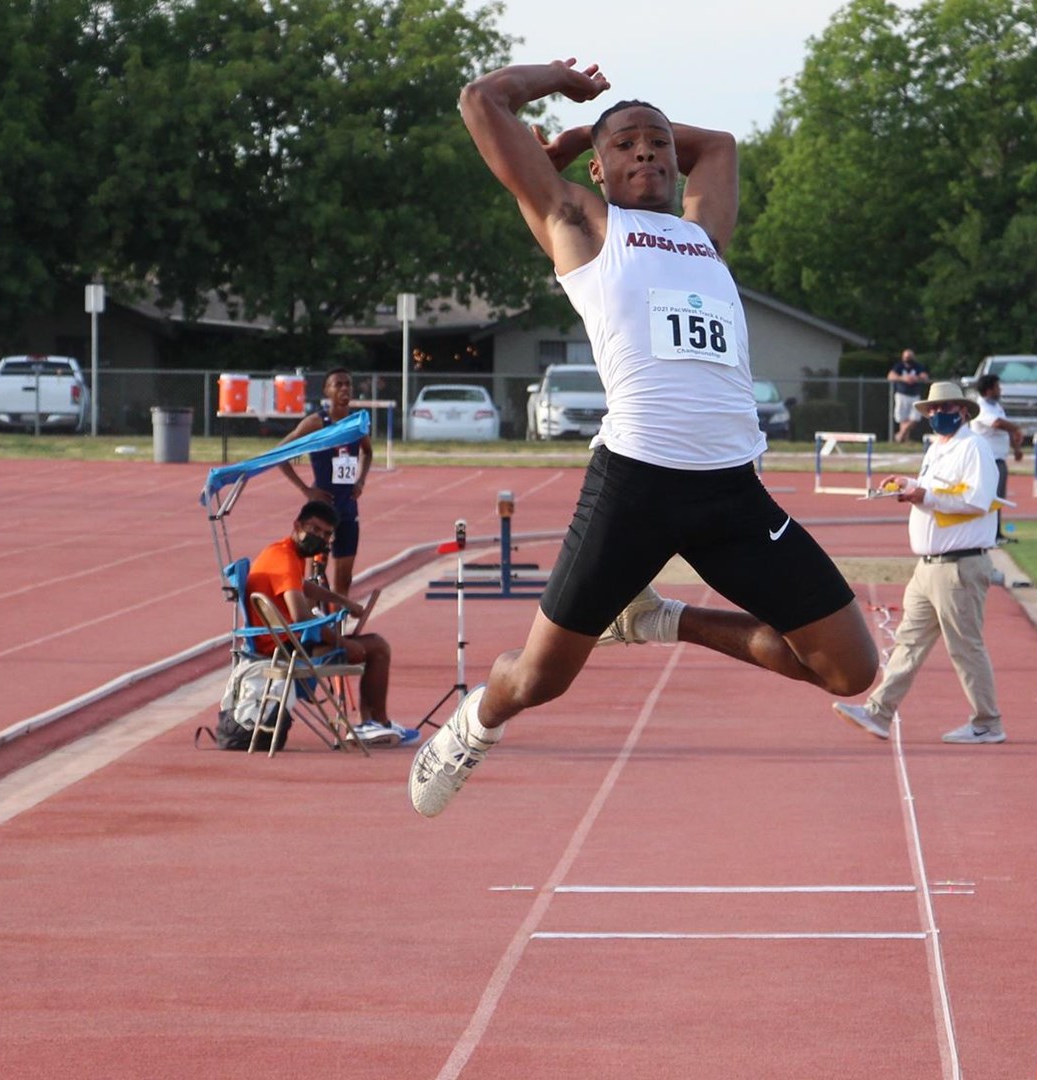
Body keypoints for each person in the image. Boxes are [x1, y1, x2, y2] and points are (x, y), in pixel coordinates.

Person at [409, 59, 877, 817]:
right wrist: (568, 91)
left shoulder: (702, 238)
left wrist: (621, 126)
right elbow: (479, 99)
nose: (650, 154)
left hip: (733, 490)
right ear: (596, 170)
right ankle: (475, 722)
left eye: (659, 144)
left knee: (849, 671)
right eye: (627, 147)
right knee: (540, 680)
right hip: (636, 485)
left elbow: (719, 144)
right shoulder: (582, 224)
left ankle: (662, 619)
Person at [832, 382, 1006, 745]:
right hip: (929, 567)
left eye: (941, 409)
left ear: (960, 410)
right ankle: (879, 712)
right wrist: (907, 484)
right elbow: (933, 490)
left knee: (965, 647)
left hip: (958, 565)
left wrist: (924, 494)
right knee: (908, 641)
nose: (934, 415)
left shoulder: (973, 447)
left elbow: (978, 499)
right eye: (929, 410)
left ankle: (988, 722)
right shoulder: (938, 449)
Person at [247, 500, 409, 748]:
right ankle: (375, 723)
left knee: (367, 643)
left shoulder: (282, 551)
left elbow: (301, 585)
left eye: (326, 534)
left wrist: (341, 601)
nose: (319, 537)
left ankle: (373, 724)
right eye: (314, 530)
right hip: (284, 649)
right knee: (377, 647)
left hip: (282, 640)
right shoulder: (285, 559)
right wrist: (341, 642)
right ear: (297, 525)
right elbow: (300, 617)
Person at [277, 369, 373, 598]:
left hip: (348, 506)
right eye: (338, 384)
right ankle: (313, 624)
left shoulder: (356, 422)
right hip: (322, 508)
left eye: (348, 384)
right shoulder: (317, 422)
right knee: (315, 574)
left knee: (344, 576)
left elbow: (367, 452)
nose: (344, 389)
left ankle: (339, 625)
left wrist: (360, 480)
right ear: (327, 390)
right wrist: (306, 490)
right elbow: (281, 453)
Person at [972, 373, 1024, 552]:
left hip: (999, 458)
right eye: (997, 387)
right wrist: (1016, 428)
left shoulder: (996, 406)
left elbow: (1004, 427)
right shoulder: (981, 407)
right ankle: (988, 535)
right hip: (988, 460)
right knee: (990, 498)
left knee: (999, 498)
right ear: (988, 390)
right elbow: (996, 424)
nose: (1000, 390)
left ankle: (996, 533)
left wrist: (1016, 448)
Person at [889, 349, 931, 442]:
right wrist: (903, 378)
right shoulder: (899, 366)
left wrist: (916, 378)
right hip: (902, 394)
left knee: (915, 417)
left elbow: (925, 376)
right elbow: (890, 376)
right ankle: (905, 439)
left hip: (914, 395)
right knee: (902, 418)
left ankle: (900, 435)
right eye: (906, 356)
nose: (908, 358)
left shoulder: (917, 366)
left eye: (909, 356)